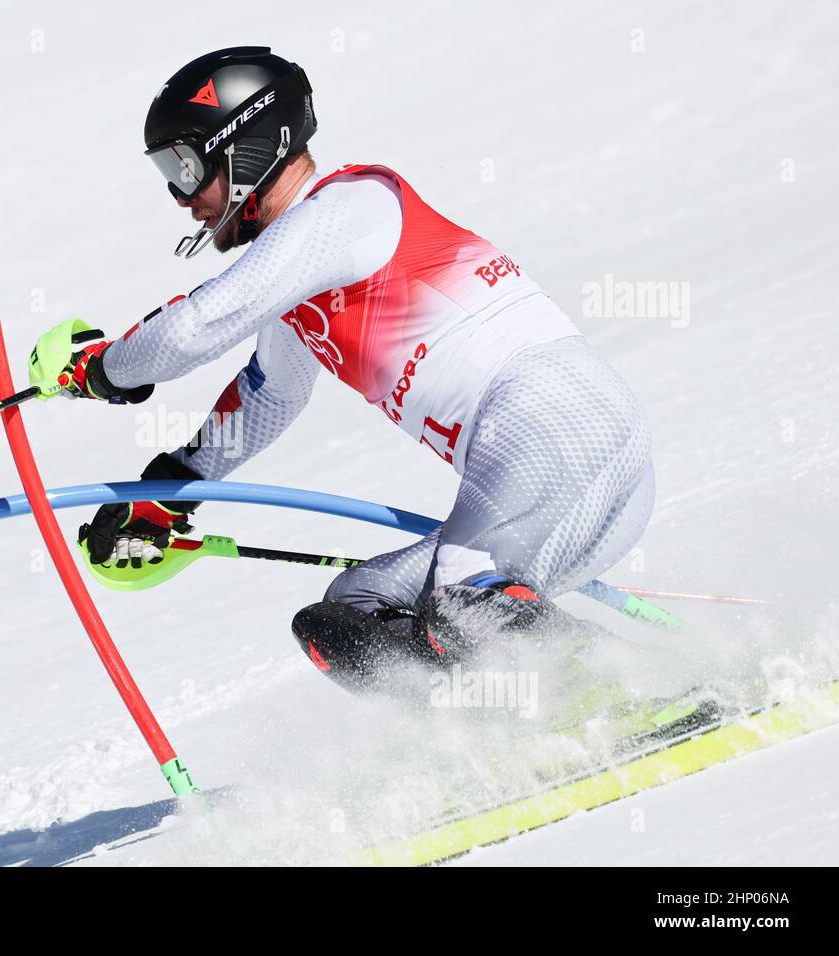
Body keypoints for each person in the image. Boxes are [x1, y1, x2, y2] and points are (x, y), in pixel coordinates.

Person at [33, 46, 654, 694]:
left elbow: (200, 323)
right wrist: (172, 487)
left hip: (561, 425)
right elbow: (269, 396)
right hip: (547, 491)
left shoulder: (349, 208)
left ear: (244, 145)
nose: (181, 197)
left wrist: (104, 368)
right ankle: (504, 739)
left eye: (186, 167)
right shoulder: (302, 278)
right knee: (352, 612)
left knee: (460, 600)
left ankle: (624, 690)